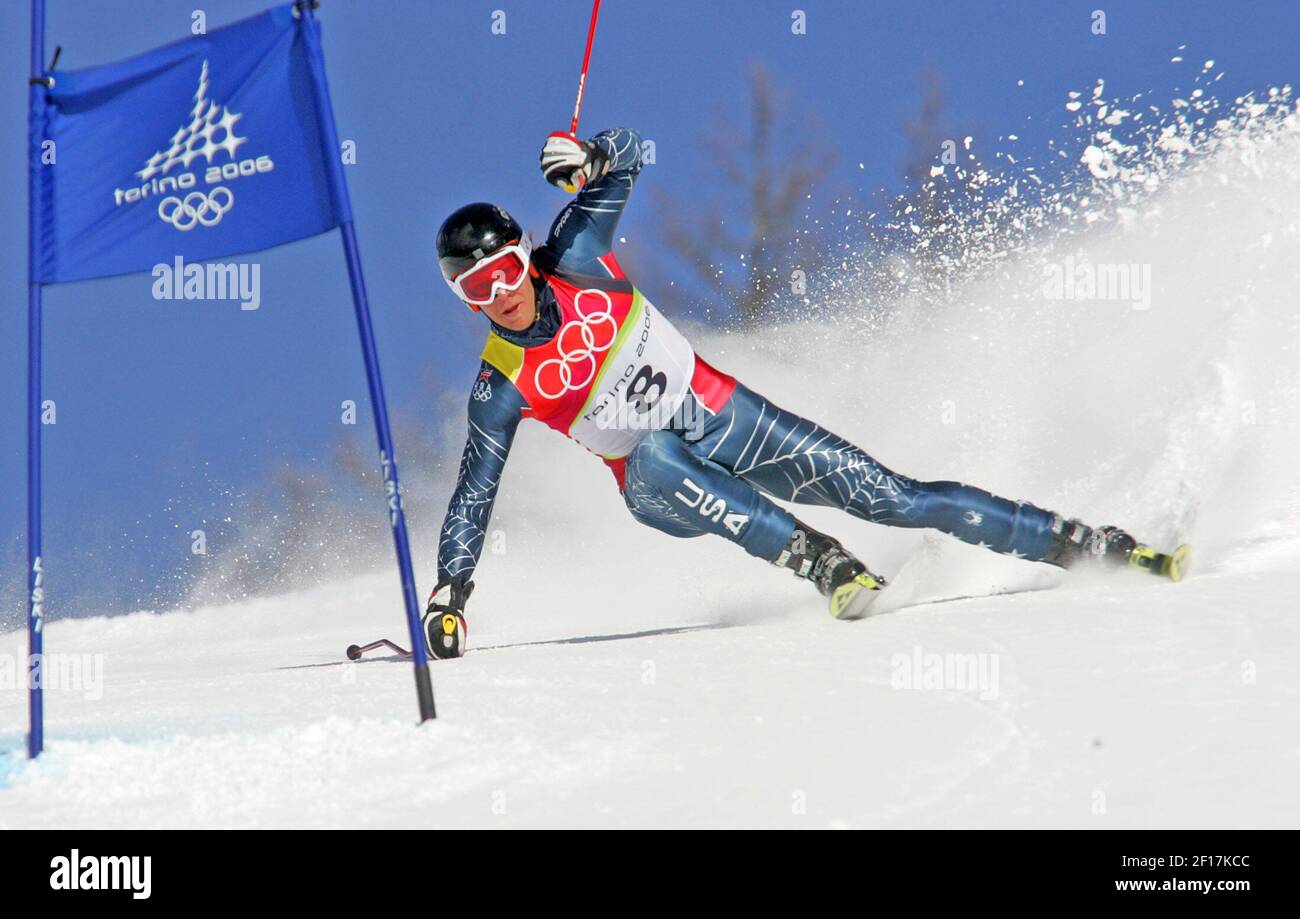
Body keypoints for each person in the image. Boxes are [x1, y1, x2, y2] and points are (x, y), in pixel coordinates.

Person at [422, 127, 1184, 659]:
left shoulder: (579, 252)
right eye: (475, 288)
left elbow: (627, 154)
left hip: (726, 417)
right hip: (657, 487)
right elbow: (472, 494)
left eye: (506, 271)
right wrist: (449, 595)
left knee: (896, 496)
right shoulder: (501, 384)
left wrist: (588, 159)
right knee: (652, 453)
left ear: (525, 258)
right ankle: (820, 563)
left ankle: (1085, 542)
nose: (500, 295)